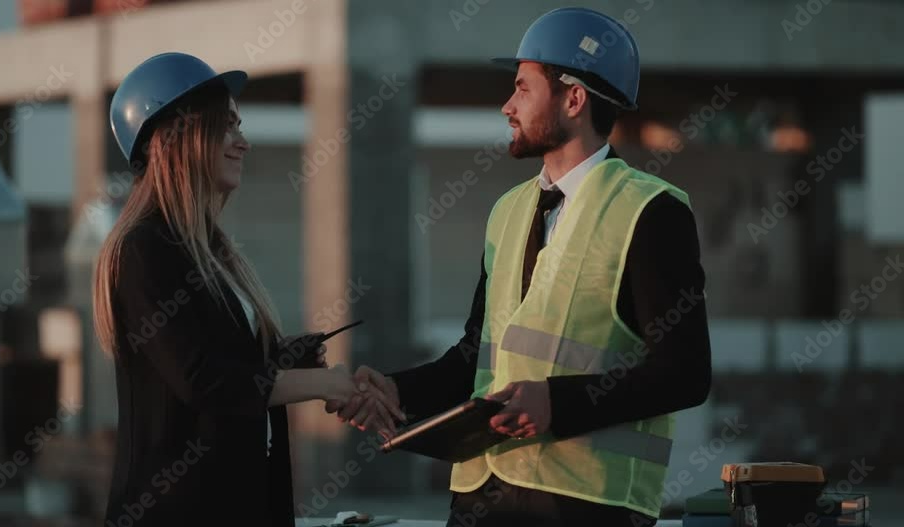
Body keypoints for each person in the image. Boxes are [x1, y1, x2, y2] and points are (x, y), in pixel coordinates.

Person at [333, 8, 713, 527]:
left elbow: (685, 375)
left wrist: (558, 402)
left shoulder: (651, 213)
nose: (507, 106)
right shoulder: (507, 212)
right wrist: (400, 391)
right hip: (479, 500)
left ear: (573, 98)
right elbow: (478, 356)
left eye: (522, 88)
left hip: (586, 508)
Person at [92, 52, 399, 526]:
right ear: (177, 138)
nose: (243, 143)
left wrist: (290, 358)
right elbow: (203, 381)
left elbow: (226, 365)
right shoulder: (143, 249)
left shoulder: (210, 252)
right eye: (227, 126)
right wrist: (321, 383)